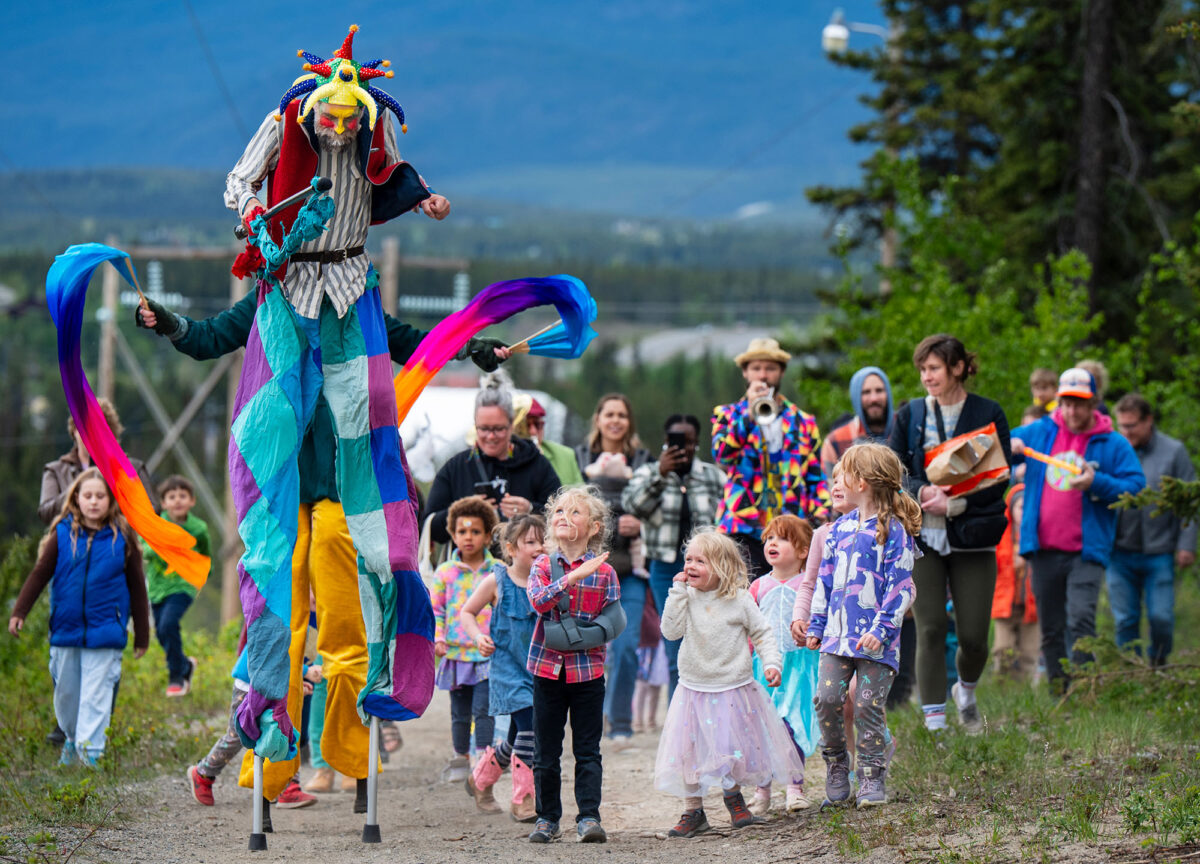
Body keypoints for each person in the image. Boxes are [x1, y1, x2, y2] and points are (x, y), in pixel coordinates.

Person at [137, 279, 502, 807]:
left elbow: (416, 344)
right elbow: (208, 337)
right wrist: (167, 321)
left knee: (345, 636)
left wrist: (470, 347)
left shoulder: (356, 310)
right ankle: (272, 764)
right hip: (282, 497)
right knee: (279, 634)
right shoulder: (269, 304)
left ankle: (351, 759)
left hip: (341, 494)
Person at [222, 24, 455, 753]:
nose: (343, 129)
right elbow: (238, 182)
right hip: (291, 284)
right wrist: (255, 220)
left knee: (369, 438)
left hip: (350, 285)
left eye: (353, 121)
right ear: (316, 108)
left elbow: (394, 170)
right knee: (267, 442)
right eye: (334, 119)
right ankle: (265, 691)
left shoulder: (374, 127)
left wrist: (426, 201)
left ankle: (388, 658)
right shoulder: (283, 123)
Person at [888, 334, 1011, 734]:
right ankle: (935, 725)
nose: (926, 377)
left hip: (973, 537)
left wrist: (956, 504)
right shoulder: (910, 415)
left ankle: (966, 692)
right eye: (922, 369)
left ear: (958, 368)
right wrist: (921, 492)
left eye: (934, 368)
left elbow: (999, 477)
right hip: (923, 539)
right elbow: (892, 472)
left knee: (974, 637)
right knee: (930, 628)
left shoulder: (988, 412)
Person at [654, 529, 804, 838]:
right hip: (693, 688)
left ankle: (735, 802)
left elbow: (762, 633)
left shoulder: (739, 599)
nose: (691, 566)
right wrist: (677, 593)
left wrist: (772, 664)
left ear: (722, 566)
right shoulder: (686, 597)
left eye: (701, 561)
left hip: (732, 688)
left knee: (729, 748)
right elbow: (670, 631)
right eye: (688, 559)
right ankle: (693, 811)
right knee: (689, 751)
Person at [1010, 368, 1145, 689]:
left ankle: (1085, 689)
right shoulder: (1042, 431)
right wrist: (1010, 445)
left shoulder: (1111, 442)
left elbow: (1136, 487)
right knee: (1051, 627)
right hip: (1042, 548)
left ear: (1093, 403)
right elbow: (1000, 446)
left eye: (1080, 404)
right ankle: (1060, 692)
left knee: (1081, 619)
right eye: (1067, 403)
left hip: (1086, 550)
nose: (1072, 411)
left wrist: (1096, 482)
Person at [9, 468, 150, 765]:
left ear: (111, 500)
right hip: (66, 629)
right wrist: (20, 611)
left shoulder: (123, 538)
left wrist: (142, 634)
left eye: (100, 496)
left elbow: (138, 588)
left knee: (95, 696)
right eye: (88, 496)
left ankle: (91, 756)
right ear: (76, 498)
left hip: (106, 630)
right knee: (67, 697)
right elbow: (39, 574)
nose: (94, 501)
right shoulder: (62, 534)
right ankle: (72, 740)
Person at [807, 444, 919, 808]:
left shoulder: (894, 530)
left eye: (844, 474)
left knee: (868, 706)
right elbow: (825, 581)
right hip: (835, 640)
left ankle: (871, 775)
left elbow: (902, 587)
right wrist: (817, 624)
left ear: (863, 482)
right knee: (826, 700)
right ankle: (837, 764)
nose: (837, 482)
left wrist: (882, 630)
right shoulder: (837, 530)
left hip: (876, 643)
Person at [525, 487, 619, 844]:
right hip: (546, 670)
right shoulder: (542, 565)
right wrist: (572, 579)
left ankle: (589, 817)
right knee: (546, 751)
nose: (564, 516)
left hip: (588, 672)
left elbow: (613, 620)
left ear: (594, 527)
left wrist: (586, 635)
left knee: (588, 750)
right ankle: (547, 818)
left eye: (575, 512)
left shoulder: (606, 572)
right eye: (559, 511)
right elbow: (538, 601)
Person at [622, 413, 724, 699]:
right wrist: (661, 474)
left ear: (697, 443)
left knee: (709, 641)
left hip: (709, 570)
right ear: (665, 442)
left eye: (689, 442)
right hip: (666, 568)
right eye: (676, 441)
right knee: (674, 644)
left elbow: (727, 518)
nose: (683, 448)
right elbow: (632, 505)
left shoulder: (713, 476)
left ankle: (708, 709)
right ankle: (678, 717)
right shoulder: (649, 473)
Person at [712, 338, 831, 577]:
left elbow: (815, 475)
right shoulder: (727, 414)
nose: (763, 375)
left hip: (791, 528)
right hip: (744, 525)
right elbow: (722, 455)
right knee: (745, 594)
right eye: (756, 368)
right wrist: (748, 414)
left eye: (770, 368)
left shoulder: (804, 421)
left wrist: (821, 515)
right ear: (745, 373)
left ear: (781, 372)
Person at [573, 393, 651, 747]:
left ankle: (619, 720)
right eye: (609, 414)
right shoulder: (579, 459)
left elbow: (658, 506)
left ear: (629, 422)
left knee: (627, 645)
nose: (615, 421)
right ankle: (587, 718)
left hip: (629, 570)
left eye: (622, 415)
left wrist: (643, 524)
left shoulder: (644, 461)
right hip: (584, 571)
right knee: (580, 645)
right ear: (598, 419)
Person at [459, 515, 546, 823]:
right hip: (508, 669)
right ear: (511, 548)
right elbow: (467, 612)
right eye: (530, 542)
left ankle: (480, 779)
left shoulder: (547, 580)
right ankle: (523, 799)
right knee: (530, 728)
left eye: (543, 541)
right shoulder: (497, 581)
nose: (539, 547)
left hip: (539, 669)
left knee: (516, 736)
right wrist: (478, 637)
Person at [1108, 393, 1196, 665]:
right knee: (1125, 619)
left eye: (1132, 426)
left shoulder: (1174, 451)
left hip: (1160, 550)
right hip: (1118, 552)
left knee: (1161, 617)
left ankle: (1158, 664)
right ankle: (1130, 672)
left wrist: (1186, 545)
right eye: (1121, 426)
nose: (1126, 432)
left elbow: (1190, 501)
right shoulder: (1113, 450)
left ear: (1148, 421)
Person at [187, 641, 322, 814]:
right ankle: (203, 773)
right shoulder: (287, 622)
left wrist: (296, 680)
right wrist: (303, 671)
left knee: (285, 730)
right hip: (252, 682)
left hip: (278, 682)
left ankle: (287, 786)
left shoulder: (314, 624)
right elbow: (271, 647)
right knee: (238, 735)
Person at [427, 374, 561, 546]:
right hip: (470, 563)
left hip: (527, 562)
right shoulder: (457, 467)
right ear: (475, 425)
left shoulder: (536, 464)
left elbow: (563, 518)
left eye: (498, 429)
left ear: (511, 425)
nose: (490, 436)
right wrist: (465, 510)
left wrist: (530, 509)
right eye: (483, 429)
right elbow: (430, 528)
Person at [748, 514, 818, 815]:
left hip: (799, 668)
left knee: (792, 726)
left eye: (783, 538)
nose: (772, 543)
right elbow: (748, 627)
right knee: (762, 729)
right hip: (763, 668)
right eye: (769, 538)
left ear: (803, 551)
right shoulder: (757, 586)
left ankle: (794, 787)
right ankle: (761, 791)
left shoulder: (809, 585)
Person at [431, 497, 499, 807]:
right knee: (460, 712)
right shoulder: (445, 572)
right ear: (453, 534)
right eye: (462, 531)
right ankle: (461, 757)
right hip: (456, 654)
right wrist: (438, 638)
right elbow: (436, 610)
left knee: (484, 710)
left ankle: (482, 765)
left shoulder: (498, 570)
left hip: (487, 653)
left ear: (488, 535)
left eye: (475, 531)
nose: (468, 537)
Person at [143, 475, 210, 698]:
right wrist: (164, 546)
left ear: (192, 501)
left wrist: (202, 575)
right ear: (163, 503)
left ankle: (176, 678)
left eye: (183, 495)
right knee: (161, 632)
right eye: (172, 497)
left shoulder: (198, 528)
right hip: (158, 587)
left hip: (184, 585)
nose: (178, 500)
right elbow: (145, 550)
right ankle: (185, 665)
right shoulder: (156, 525)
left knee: (169, 623)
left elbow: (205, 554)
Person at [39, 400, 157, 525]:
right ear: (74, 431)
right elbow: (46, 513)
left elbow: (152, 511)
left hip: (121, 535)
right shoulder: (55, 470)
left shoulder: (133, 468)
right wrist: (77, 488)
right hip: (72, 536)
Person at [991, 484, 1039, 680]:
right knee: (1003, 649)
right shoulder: (1000, 535)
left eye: (1029, 507)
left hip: (1031, 605)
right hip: (1005, 603)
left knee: (1029, 653)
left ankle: (1025, 689)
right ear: (1011, 508)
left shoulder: (1039, 533)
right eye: (1020, 506)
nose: (1024, 511)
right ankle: (1002, 687)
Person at [820, 366, 896, 478]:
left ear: (888, 393)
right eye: (866, 392)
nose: (874, 398)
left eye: (879, 390)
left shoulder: (908, 428)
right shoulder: (835, 441)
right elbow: (829, 486)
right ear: (855, 397)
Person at [514, 396, 583, 487]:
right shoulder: (503, 456)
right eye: (525, 425)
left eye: (538, 424)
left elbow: (581, 493)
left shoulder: (566, 455)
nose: (533, 431)